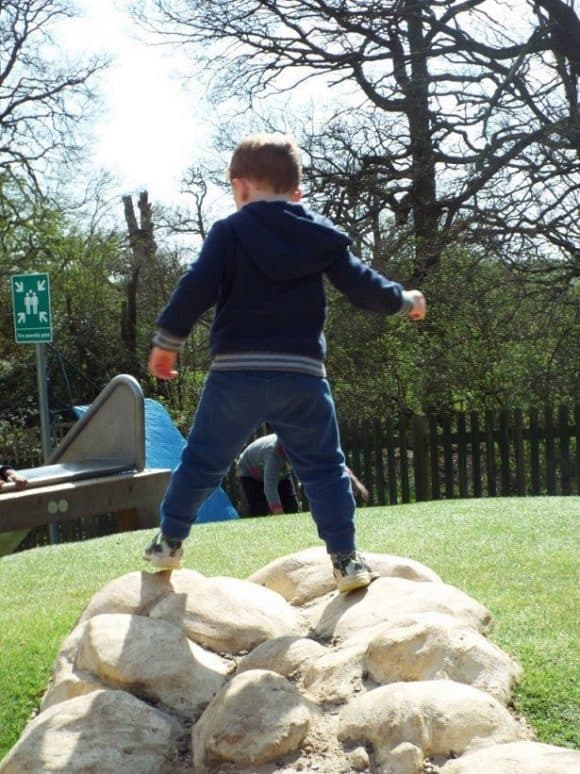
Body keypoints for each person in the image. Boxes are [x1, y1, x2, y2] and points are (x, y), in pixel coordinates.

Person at [143, 132, 426, 593]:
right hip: (301, 376)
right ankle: (346, 559)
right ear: (297, 193)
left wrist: (167, 341)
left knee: (202, 462)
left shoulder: (229, 233)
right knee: (323, 468)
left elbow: (194, 287)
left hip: (236, 375)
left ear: (240, 187)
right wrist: (405, 299)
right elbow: (362, 287)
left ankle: (169, 541)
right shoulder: (321, 237)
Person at [236, 433, 300, 516]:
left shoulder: (300, 448)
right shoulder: (274, 453)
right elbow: (270, 486)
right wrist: (279, 514)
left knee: (291, 507)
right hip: (249, 471)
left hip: (280, 471)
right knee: (259, 510)